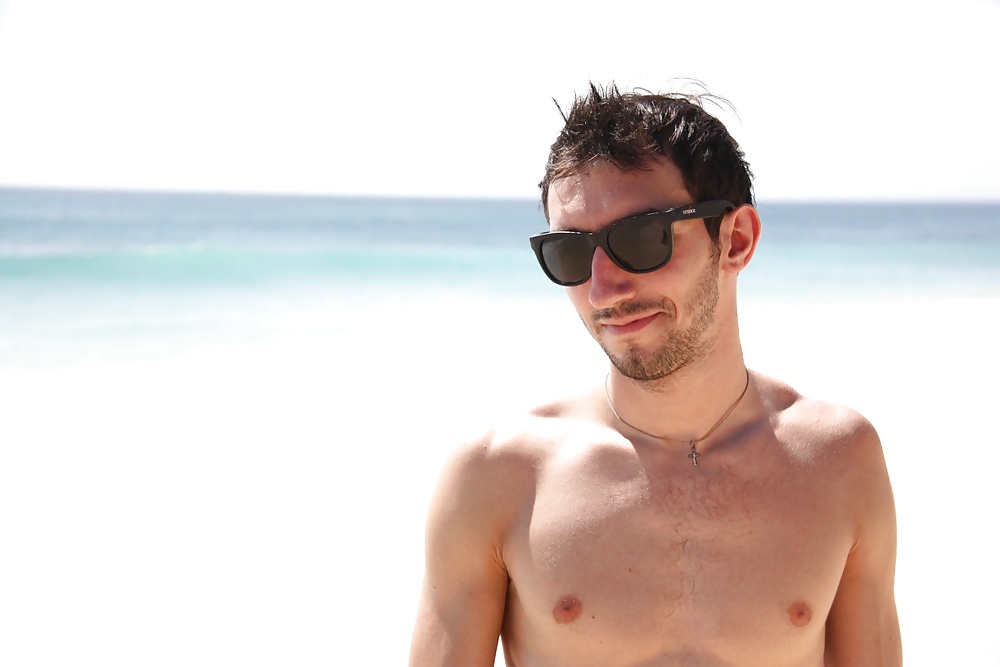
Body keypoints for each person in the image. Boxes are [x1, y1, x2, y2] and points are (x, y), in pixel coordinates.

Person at [409, 83, 901, 667]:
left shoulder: (839, 460)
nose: (602, 289)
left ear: (736, 240)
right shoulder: (501, 474)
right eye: (570, 252)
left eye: (642, 239)